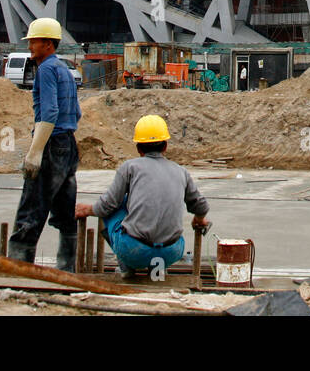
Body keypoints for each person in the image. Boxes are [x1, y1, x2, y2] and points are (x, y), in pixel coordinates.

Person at [76, 114, 210, 279]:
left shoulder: (130, 167)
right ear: (165, 146)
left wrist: (88, 210)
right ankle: (157, 270)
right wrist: (199, 218)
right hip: (172, 252)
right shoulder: (180, 171)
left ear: (138, 148)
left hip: (134, 251)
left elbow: (107, 205)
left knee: (112, 210)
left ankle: (127, 268)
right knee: (129, 203)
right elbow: (201, 205)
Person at [8, 18, 82, 270]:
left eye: (33, 41)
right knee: (65, 213)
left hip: (51, 144)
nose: (30, 46)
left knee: (31, 209)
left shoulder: (47, 70)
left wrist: (35, 152)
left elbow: (49, 112)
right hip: (68, 146)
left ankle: (18, 271)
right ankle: (66, 270)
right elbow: (76, 113)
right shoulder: (65, 70)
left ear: (48, 44)